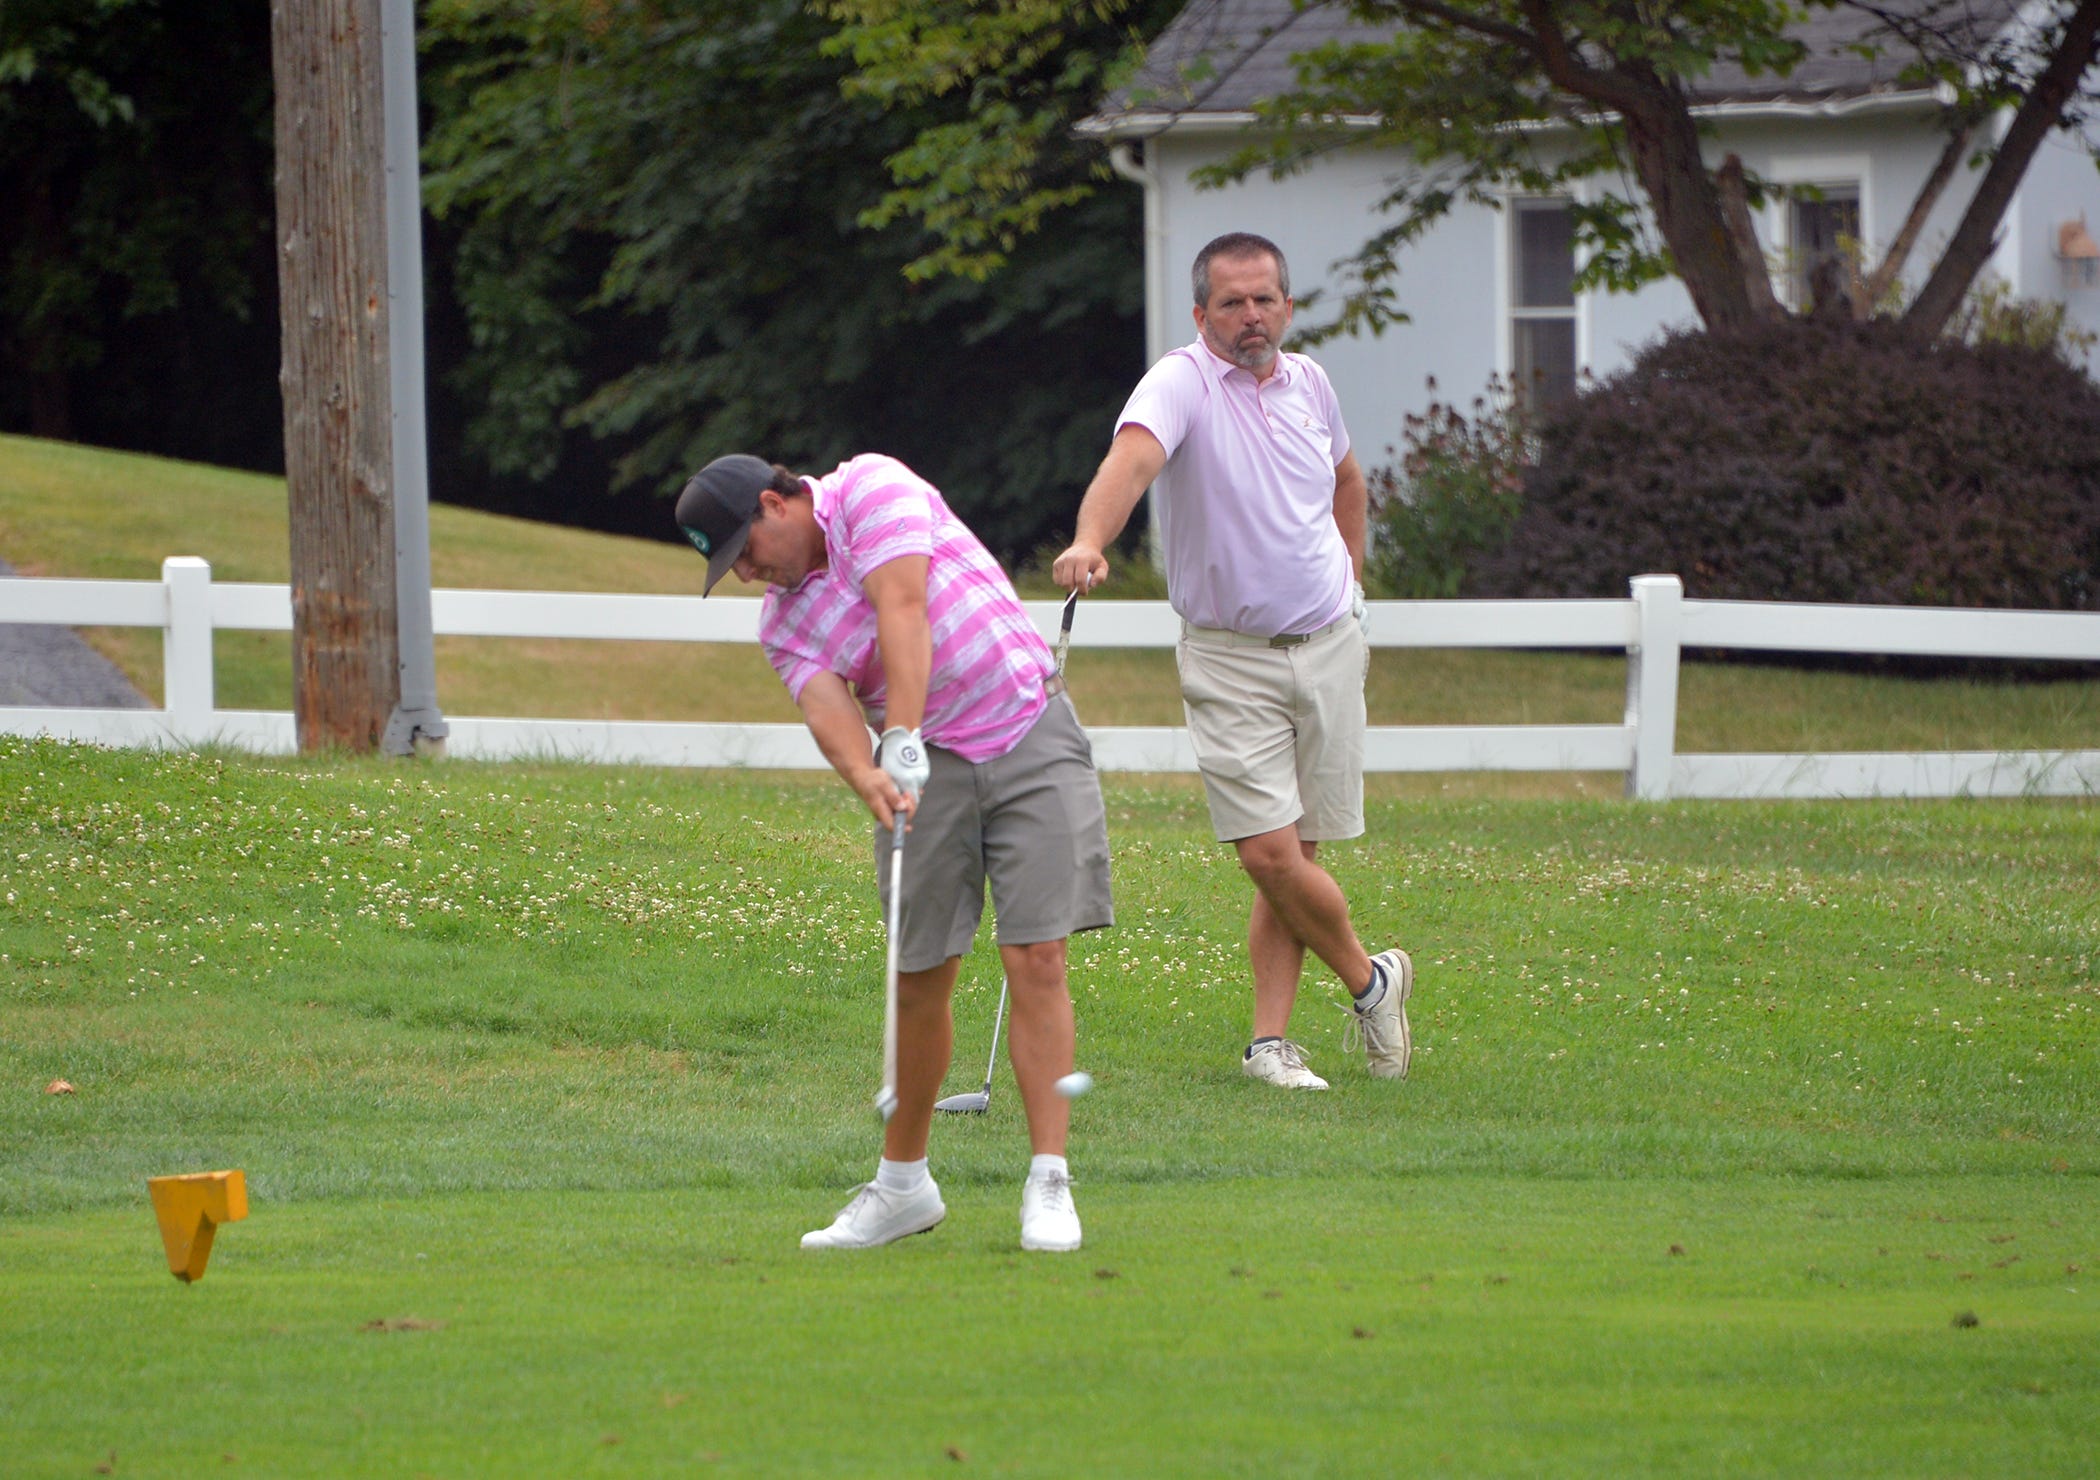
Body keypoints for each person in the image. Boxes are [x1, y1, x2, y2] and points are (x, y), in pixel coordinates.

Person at [676, 451, 1113, 1251]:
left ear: (777, 504)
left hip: (1026, 726)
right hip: (926, 771)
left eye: (743, 551)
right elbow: (826, 707)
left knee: (1038, 958)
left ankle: (1049, 1179)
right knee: (919, 975)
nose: (744, 574)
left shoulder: (871, 489)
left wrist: (900, 734)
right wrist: (869, 776)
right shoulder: (784, 625)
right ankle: (903, 1186)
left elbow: (901, 607)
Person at [1051, 231, 1412, 1091]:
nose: (1251, 317)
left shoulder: (1310, 383)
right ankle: (1373, 980)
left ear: (1286, 304)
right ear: (1201, 313)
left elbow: (1348, 482)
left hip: (1328, 644)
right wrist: (1089, 541)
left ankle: (1268, 1045)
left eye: (1264, 300)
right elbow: (1130, 461)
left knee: (1299, 859)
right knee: (1268, 856)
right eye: (1232, 303)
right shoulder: (1178, 382)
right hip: (1229, 656)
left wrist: (1351, 586)